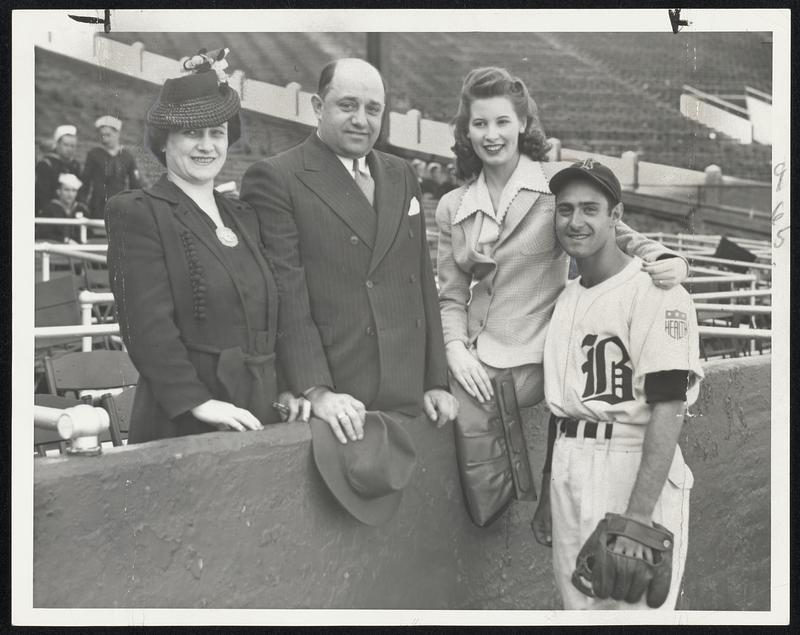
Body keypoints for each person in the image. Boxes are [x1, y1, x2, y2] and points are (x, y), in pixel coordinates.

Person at [435, 66, 687, 427]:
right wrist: (454, 348)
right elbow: (451, 297)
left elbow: (616, 231)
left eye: (503, 122)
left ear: (522, 123)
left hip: (534, 362)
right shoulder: (452, 205)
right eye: (480, 124)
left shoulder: (555, 184)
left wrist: (670, 260)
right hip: (471, 361)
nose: (492, 135)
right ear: (467, 130)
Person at [240, 57, 458, 445]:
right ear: (318, 107)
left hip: (410, 394)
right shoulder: (277, 177)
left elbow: (422, 279)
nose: (362, 119)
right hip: (342, 397)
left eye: (373, 109)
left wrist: (434, 380)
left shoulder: (401, 172)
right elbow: (287, 293)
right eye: (348, 105)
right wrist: (317, 391)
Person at [105, 53, 310, 443]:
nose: (206, 145)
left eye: (216, 133)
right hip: (187, 418)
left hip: (260, 408)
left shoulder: (244, 215)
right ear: (164, 142)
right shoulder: (138, 212)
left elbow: (270, 318)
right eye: (192, 133)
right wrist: (197, 402)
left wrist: (286, 385)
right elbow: (145, 325)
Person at [537, 159, 703, 609]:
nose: (576, 221)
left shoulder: (655, 289)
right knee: (579, 611)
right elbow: (565, 410)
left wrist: (637, 516)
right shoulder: (568, 294)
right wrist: (546, 493)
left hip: (632, 462)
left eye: (590, 209)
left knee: (634, 615)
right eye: (565, 209)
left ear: (616, 216)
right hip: (571, 466)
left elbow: (669, 406)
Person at [80, 115, 142, 225]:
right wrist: (82, 203)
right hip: (97, 204)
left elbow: (135, 184)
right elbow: (85, 182)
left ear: (117, 134)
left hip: (119, 204)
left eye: (108, 135)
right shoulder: (94, 154)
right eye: (102, 135)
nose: (105, 138)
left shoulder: (126, 156)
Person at [35, 124, 81, 215]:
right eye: (66, 145)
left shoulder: (75, 165)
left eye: (72, 146)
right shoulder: (46, 164)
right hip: (49, 210)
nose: (69, 149)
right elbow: (43, 194)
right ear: (57, 144)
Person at [36, 173, 88, 242]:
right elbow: (44, 234)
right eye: (66, 190)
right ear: (58, 191)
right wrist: (65, 240)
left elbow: (88, 233)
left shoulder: (81, 209)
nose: (70, 194)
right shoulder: (49, 209)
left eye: (74, 190)